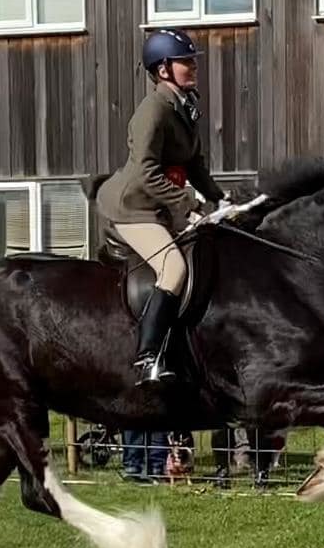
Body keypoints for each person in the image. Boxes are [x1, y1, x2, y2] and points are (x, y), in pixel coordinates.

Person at [96, 28, 227, 386]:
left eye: (192, 61)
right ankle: (147, 357)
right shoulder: (152, 110)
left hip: (159, 205)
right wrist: (190, 203)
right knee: (174, 269)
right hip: (132, 207)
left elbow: (194, 165)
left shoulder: (186, 104)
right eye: (186, 61)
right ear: (163, 69)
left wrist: (220, 197)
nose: (193, 66)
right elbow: (146, 173)